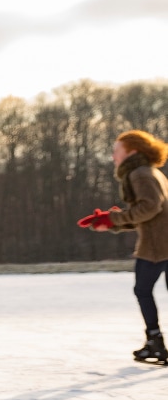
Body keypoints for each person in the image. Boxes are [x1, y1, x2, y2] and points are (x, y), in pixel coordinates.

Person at [78, 130, 168, 364]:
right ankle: (154, 342)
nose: (113, 156)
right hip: (159, 242)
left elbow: (150, 208)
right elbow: (149, 214)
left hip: (159, 247)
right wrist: (111, 223)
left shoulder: (140, 174)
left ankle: (155, 341)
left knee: (142, 290)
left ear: (132, 152)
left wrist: (112, 219)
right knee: (143, 290)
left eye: (117, 151)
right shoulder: (150, 172)